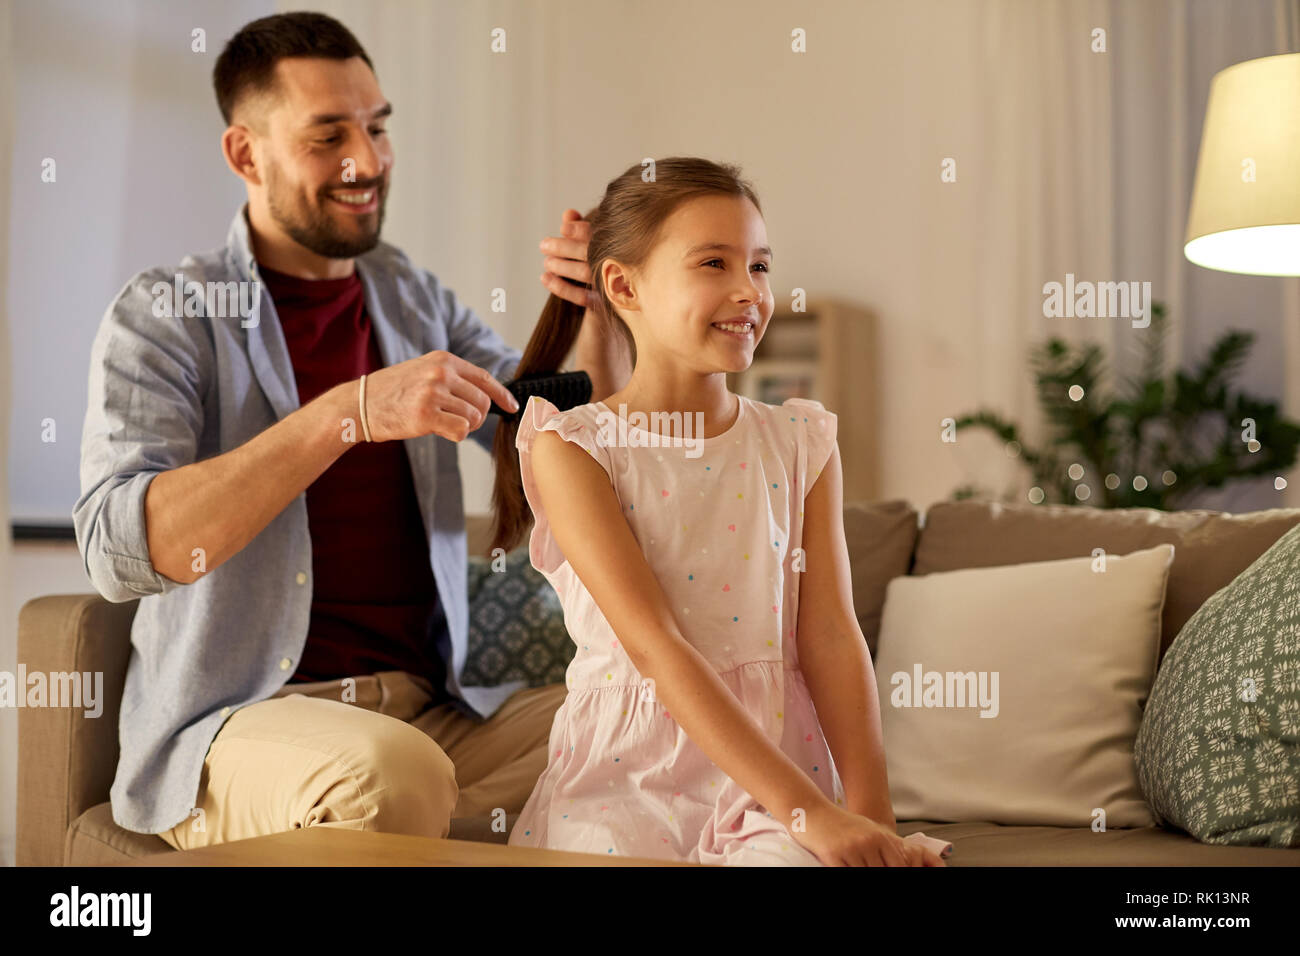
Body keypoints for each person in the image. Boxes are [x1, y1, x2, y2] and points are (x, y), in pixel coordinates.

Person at [72, 11, 623, 849]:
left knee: (650, 720)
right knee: (389, 778)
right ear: (245, 154)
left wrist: (601, 319)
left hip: (434, 717)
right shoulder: (167, 313)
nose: (366, 162)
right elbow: (117, 550)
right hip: (245, 727)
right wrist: (346, 413)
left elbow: (547, 436)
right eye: (328, 136)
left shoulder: (409, 294)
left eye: (376, 127)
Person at [494, 157, 953, 866]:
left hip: (776, 781)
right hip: (626, 780)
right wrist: (813, 812)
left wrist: (867, 816)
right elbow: (655, 645)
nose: (749, 292)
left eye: (761, 266)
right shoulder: (572, 447)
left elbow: (830, 634)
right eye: (714, 263)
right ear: (622, 285)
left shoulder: (801, 441)